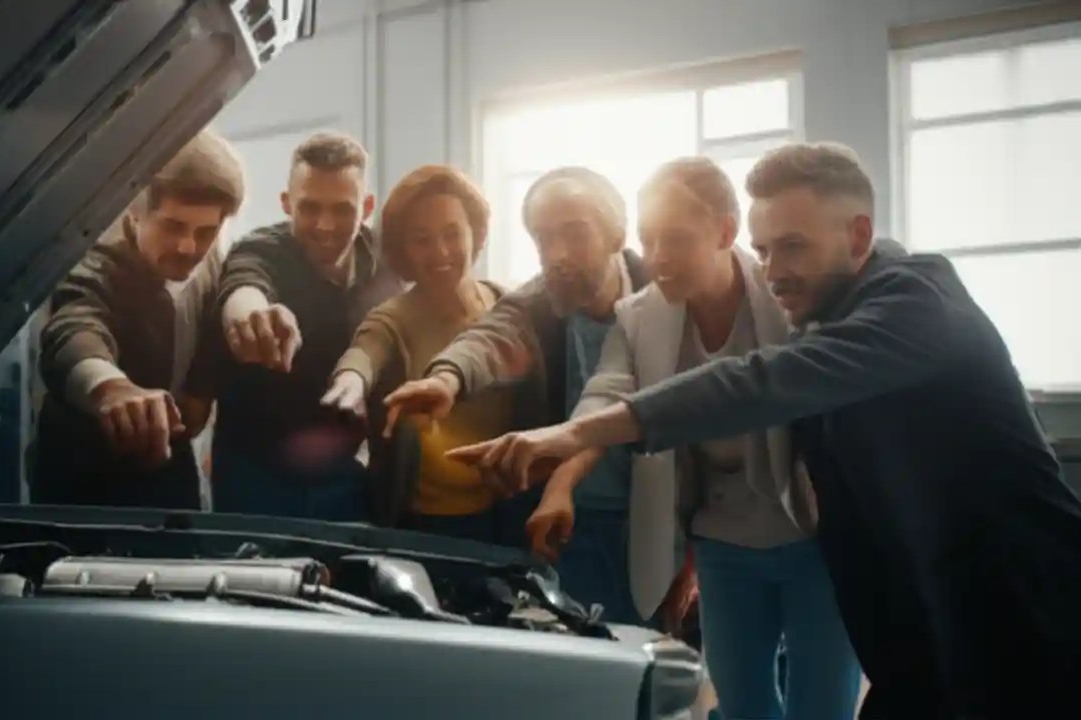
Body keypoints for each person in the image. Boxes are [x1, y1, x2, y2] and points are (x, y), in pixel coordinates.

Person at [447, 142, 1081, 719]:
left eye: (795, 246)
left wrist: (570, 436)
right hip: (915, 601)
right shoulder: (824, 307)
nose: (773, 269)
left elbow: (760, 381)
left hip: (1021, 599)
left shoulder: (915, 301)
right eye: (766, 247)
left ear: (858, 235)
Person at [525, 157, 859, 719]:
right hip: (723, 544)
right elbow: (604, 400)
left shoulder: (792, 302)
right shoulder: (638, 317)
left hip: (814, 539)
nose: (657, 257)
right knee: (744, 704)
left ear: (727, 232)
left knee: (821, 707)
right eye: (649, 239)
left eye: (676, 239)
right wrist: (559, 482)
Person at [384, 166, 651, 623]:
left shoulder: (660, 295)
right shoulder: (541, 300)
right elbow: (490, 337)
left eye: (575, 234)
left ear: (617, 234)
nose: (558, 254)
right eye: (543, 239)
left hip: (649, 513)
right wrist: (446, 378)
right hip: (566, 519)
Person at [184, 132, 403, 521]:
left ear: (367, 207)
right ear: (287, 204)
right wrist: (253, 315)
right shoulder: (260, 249)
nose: (325, 225)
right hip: (253, 472)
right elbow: (244, 284)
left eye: (342, 209)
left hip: (346, 474)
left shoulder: (386, 266)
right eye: (310, 207)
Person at [33, 130, 243, 509]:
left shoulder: (213, 258)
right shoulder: (94, 259)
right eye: (173, 226)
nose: (188, 247)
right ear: (134, 210)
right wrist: (109, 388)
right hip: (82, 481)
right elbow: (75, 326)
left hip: (172, 463)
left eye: (206, 231)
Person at [321, 165, 517, 540]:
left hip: (508, 510)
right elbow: (365, 351)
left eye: (451, 234)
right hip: (426, 522)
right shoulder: (394, 317)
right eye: (422, 239)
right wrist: (349, 383)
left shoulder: (506, 303)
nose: (440, 251)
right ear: (403, 249)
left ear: (475, 233)